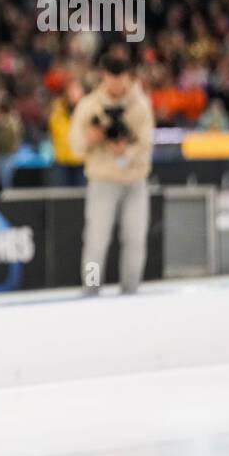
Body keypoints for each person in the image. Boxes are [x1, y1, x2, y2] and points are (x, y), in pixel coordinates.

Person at [68, 54, 154, 295]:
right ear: (103, 76)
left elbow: (147, 144)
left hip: (135, 181)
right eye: (111, 77)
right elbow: (74, 144)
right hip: (102, 180)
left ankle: (131, 290)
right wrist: (91, 138)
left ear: (128, 77)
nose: (116, 84)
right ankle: (91, 289)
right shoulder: (90, 105)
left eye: (120, 77)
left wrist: (126, 152)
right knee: (96, 240)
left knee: (135, 239)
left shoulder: (140, 105)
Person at [48, 79, 86, 187]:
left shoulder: (87, 110)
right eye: (72, 90)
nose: (75, 93)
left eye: (77, 90)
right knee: (61, 198)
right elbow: (58, 131)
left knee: (80, 197)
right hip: (62, 162)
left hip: (81, 162)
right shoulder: (57, 109)